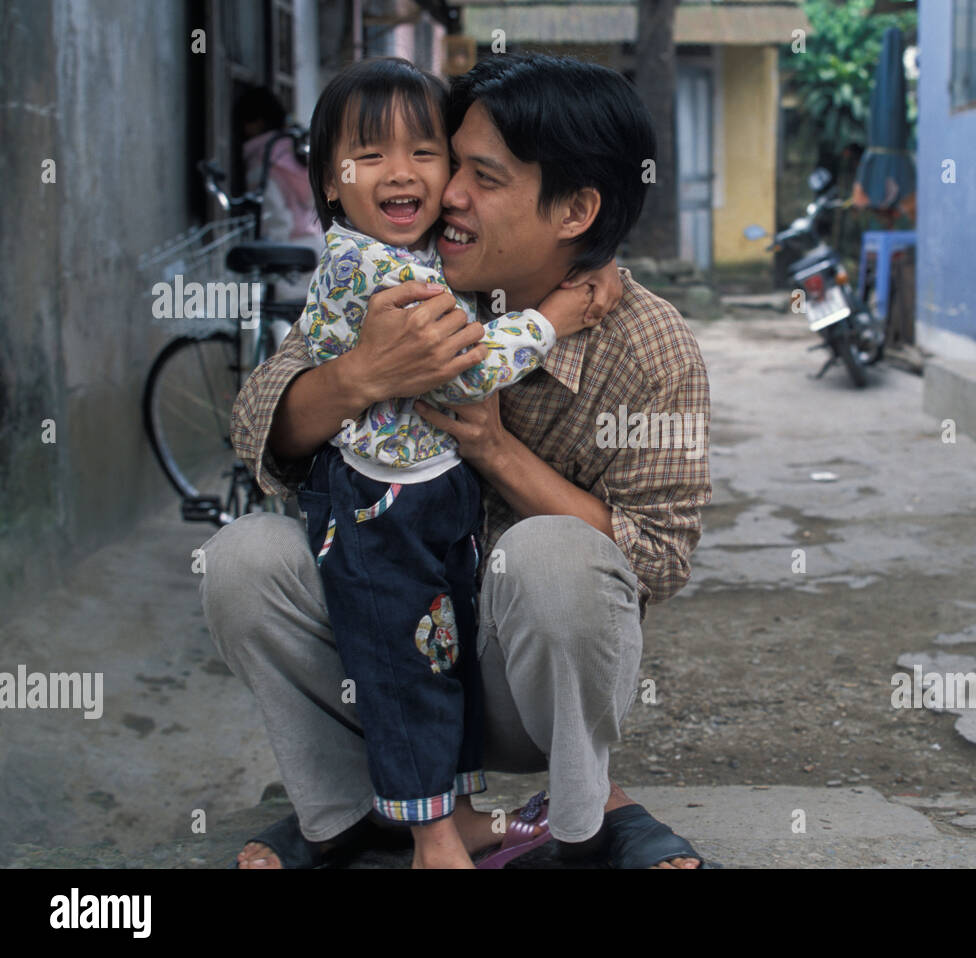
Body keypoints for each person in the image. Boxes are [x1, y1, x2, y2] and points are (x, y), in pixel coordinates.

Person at [202, 52, 715, 869]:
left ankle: (586, 818)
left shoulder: (652, 350)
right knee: (242, 559)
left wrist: (493, 447)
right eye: (455, 166)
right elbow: (257, 423)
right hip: (383, 656)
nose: (447, 197)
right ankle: (354, 812)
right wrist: (357, 376)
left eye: (481, 175)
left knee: (553, 555)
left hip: (513, 688)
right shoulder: (398, 276)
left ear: (576, 209)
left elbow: (657, 555)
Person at [293, 58, 609, 869]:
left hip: (432, 493)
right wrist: (553, 316)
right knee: (400, 665)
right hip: (376, 503)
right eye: (369, 153)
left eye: (427, 153)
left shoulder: (424, 250)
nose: (403, 173)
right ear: (331, 183)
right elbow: (464, 368)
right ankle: (433, 839)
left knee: (445, 650)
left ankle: (460, 812)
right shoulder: (365, 266)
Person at [235, 87, 324, 300]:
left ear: (256, 122)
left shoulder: (263, 161)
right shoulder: (293, 149)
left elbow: (275, 218)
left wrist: (267, 258)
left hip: (290, 253)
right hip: (316, 243)